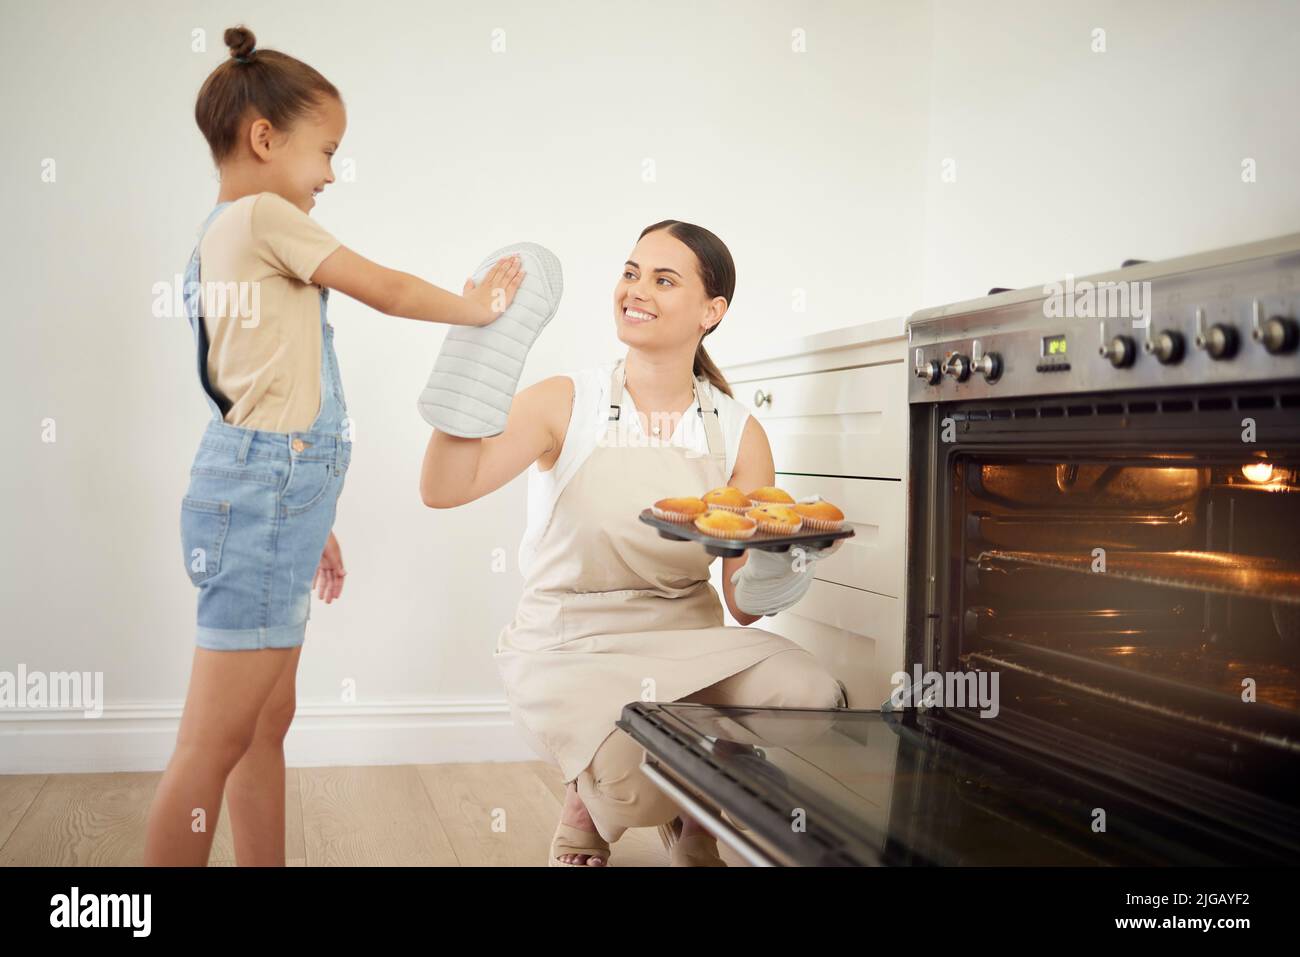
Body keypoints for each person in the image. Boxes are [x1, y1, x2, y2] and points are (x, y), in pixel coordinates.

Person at [144, 24, 524, 866]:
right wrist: (478, 308)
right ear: (264, 138)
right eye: (326, 151)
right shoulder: (264, 216)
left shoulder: (221, 236)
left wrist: (310, 514)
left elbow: (263, 387)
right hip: (262, 492)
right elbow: (383, 288)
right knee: (212, 742)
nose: (330, 174)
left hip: (269, 493)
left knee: (261, 726)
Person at [419, 219, 845, 867]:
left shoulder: (736, 429)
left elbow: (745, 603)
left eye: (663, 279)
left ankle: (696, 805)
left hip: (689, 637)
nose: (635, 289)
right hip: (571, 643)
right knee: (635, 786)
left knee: (813, 696)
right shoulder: (568, 402)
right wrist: (476, 355)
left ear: (712, 311)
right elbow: (445, 487)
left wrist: (783, 563)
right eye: (630, 271)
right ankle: (593, 802)